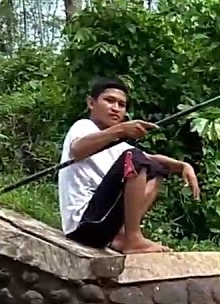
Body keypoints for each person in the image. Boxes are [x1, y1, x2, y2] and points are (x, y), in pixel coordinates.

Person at [57, 77, 201, 254]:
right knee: (136, 159)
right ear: (91, 103)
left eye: (121, 104)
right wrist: (122, 129)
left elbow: (152, 158)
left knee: (156, 168)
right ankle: (133, 238)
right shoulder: (84, 127)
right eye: (109, 101)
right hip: (82, 225)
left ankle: (121, 236)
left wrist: (182, 166)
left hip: (104, 226)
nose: (115, 108)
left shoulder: (119, 147)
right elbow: (77, 150)